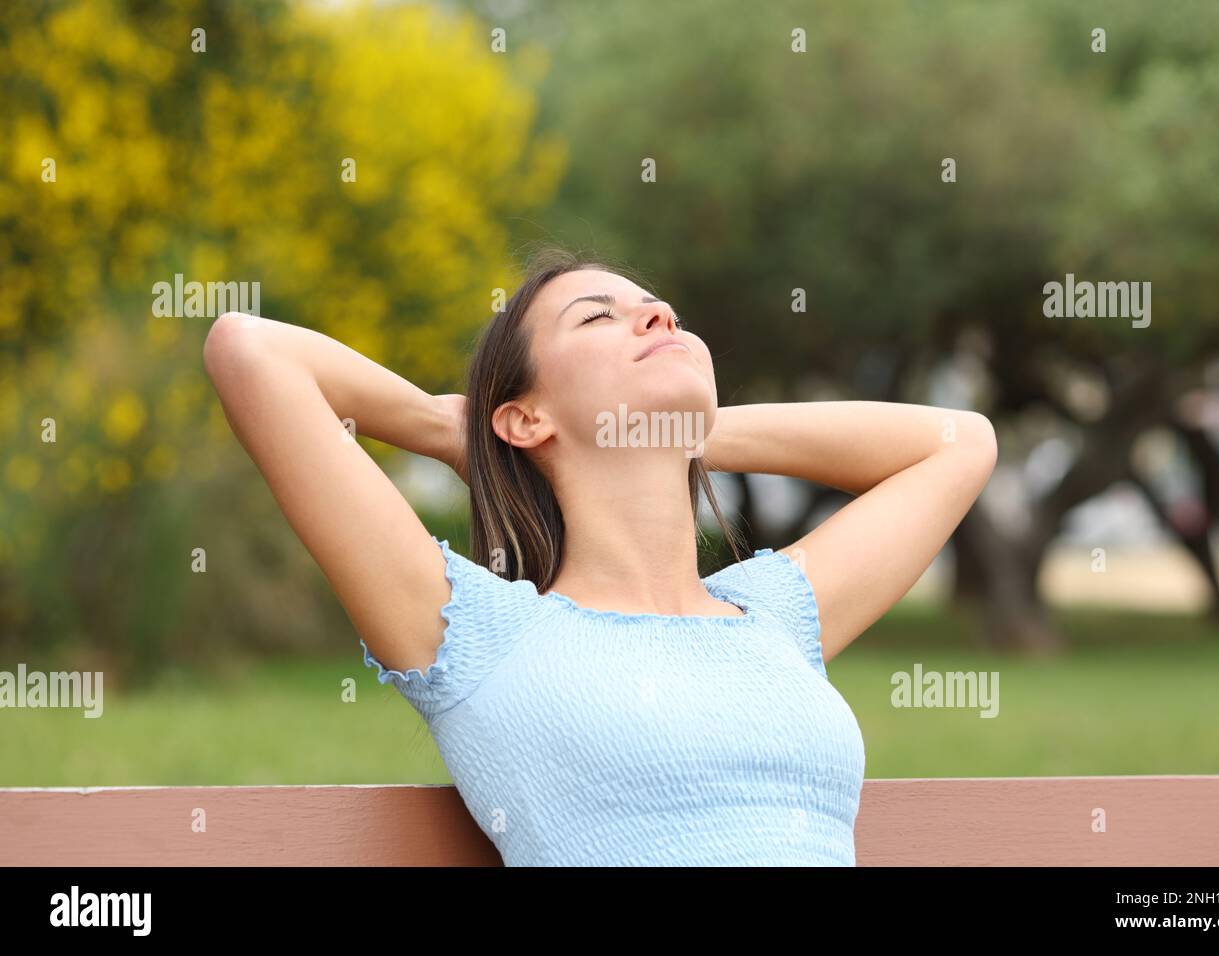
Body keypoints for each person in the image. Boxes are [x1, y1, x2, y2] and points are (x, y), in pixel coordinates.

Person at [202, 246, 997, 865]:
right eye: (597, 318)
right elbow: (250, 351)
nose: (658, 317)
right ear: (524, 419)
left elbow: (960, 444)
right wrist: (456, 429)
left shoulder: (774, 616)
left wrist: (680, 429)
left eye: (660, 312)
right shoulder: (478, 637)